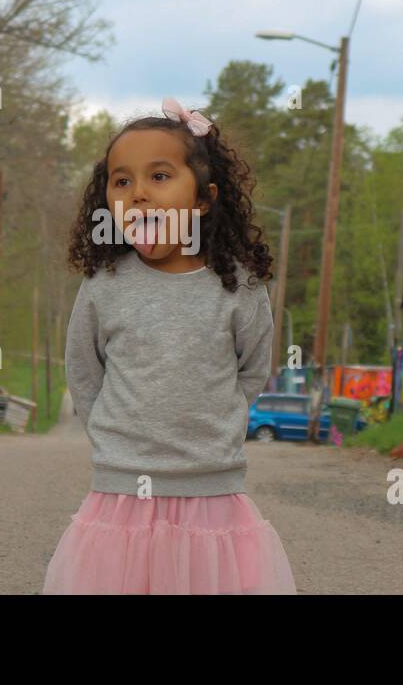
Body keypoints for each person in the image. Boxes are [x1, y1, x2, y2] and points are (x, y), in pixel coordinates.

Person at [42, 97, 297, 594]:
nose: (138, 194)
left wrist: (214, 427)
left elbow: (251, 371)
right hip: (121, 489)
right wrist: (115, 440)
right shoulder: (104, 284)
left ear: (203, 199)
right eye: (122, 182)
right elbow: (84, 371)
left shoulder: (238, 288)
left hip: (211, 486)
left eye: (159, 177)